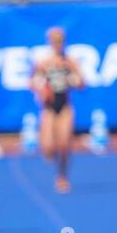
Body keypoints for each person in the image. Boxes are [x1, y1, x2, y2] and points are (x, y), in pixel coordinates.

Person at [30, 26, 84, 193]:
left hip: (65, 105)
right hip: (49, 107)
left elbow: (82, 83)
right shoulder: (43, 63)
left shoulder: (70, 62)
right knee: (47, 147)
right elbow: (31, 81)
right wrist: (41, 91)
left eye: (60, 40)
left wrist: (73, 80)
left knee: (64, 144)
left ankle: (62, 176)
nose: (57, 44)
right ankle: (53, 157)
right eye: (54, 41)